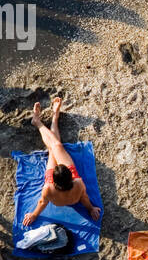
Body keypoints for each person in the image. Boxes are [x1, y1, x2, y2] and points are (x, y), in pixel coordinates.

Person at [21, 98, 102, 228]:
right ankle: (52, 118)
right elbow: (84, 199)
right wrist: (91, 209)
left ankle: (39, 122)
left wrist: (34, 215)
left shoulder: (48, 189)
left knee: (55, 147)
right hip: (71, 194)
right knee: (56, 146)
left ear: (53, 179)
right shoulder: (78, 184)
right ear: (70, 175)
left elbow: (42, 202)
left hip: (57, 195)